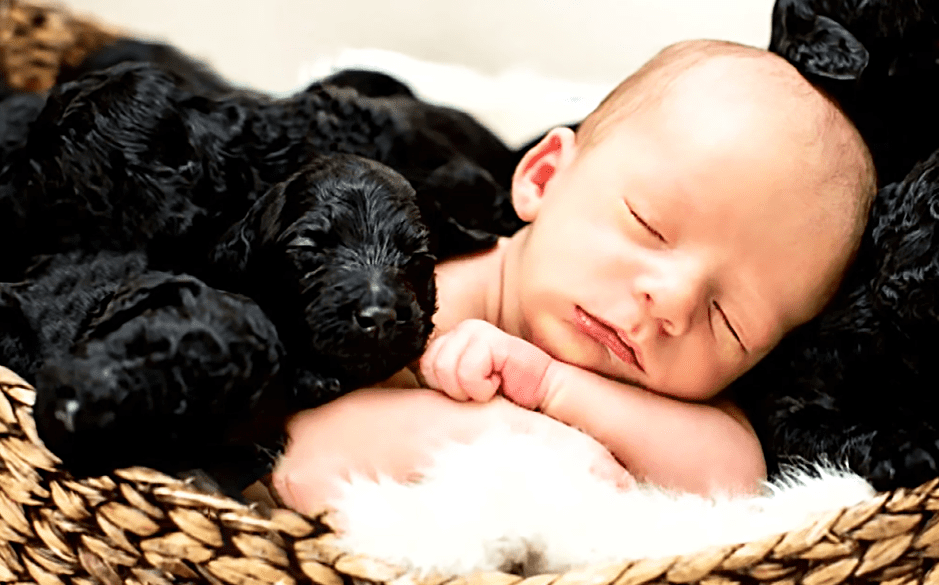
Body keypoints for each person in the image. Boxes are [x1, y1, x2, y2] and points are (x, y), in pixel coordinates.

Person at [270, 39, 875, 516]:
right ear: (543, 177)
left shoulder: (671, 397)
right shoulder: (428, 299)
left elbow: (734, 477)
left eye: (731, 321)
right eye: (650, 226)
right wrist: (495, 430)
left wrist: (549, 385)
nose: (672, 302)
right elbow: (297, 440)